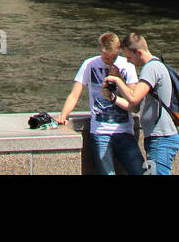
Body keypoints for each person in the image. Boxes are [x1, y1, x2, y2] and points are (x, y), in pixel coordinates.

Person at [57, 32, 145, 176]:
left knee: (140, 171)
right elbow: (75, 94)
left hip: (124, 131)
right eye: (106, 58)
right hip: (100, 132)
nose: (109, 61)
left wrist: (119, 79)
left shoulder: (127, 65)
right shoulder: (90, 64)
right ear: (100, 51)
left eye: (113, 57)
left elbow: (134, 100)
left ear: (118, 51)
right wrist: (63, 115)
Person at [105, 33, 179, 176]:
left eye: (129, 57)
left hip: (161, 139)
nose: (128, 61)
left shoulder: (151, 68)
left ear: (138, 52)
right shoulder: (155, 66)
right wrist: (113, 97)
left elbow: (133, 98)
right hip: (158, 139)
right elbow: (135, 106)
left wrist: (117, 81)